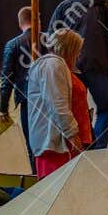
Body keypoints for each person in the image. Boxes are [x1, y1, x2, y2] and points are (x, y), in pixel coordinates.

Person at [27, 30, 86, 178]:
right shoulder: (53, 65)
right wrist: (72, 133)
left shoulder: (56, 65)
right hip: (56, 146)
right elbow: (57, 104)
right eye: (77, 50)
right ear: (70, 49)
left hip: (59, 143)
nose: (78, 55)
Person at [77, 0, 108, 149]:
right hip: (100, 66)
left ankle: (84, 146)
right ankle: (97, 148)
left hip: (74, 68)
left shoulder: (65, 7)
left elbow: (53, 39)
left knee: (76, 110)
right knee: (106, 109)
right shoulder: (106, 8)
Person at [0, 6, 37, 170]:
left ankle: (39, 179)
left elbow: (6, 80)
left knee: (33, 146)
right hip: (49, 98)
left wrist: (3, 108)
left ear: (20, 23)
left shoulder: (13, 45)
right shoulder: (49, 39)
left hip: (27, 99)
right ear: (38, 20)